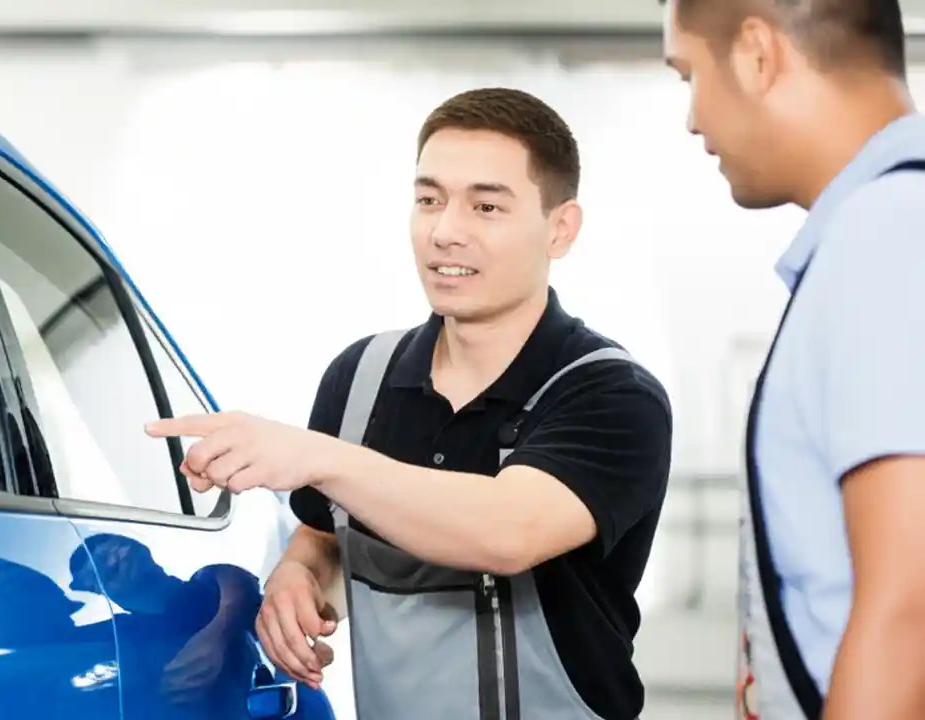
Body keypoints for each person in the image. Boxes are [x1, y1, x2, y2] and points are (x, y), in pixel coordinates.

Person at [148, 88, 673, 720]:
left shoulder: (611, 395)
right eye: (429, 200)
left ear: (560, 229)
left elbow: (506, 532)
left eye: (486, 206)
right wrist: (300, 578)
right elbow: (326, 536)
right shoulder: (360, 377)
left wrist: (318, 457)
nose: (445, 232)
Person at [659, 1, 925, 718]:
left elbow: (910, 607)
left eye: (689, 75)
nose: (692, 119)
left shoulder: (888, 232)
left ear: (755, 53)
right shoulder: (879, 229)